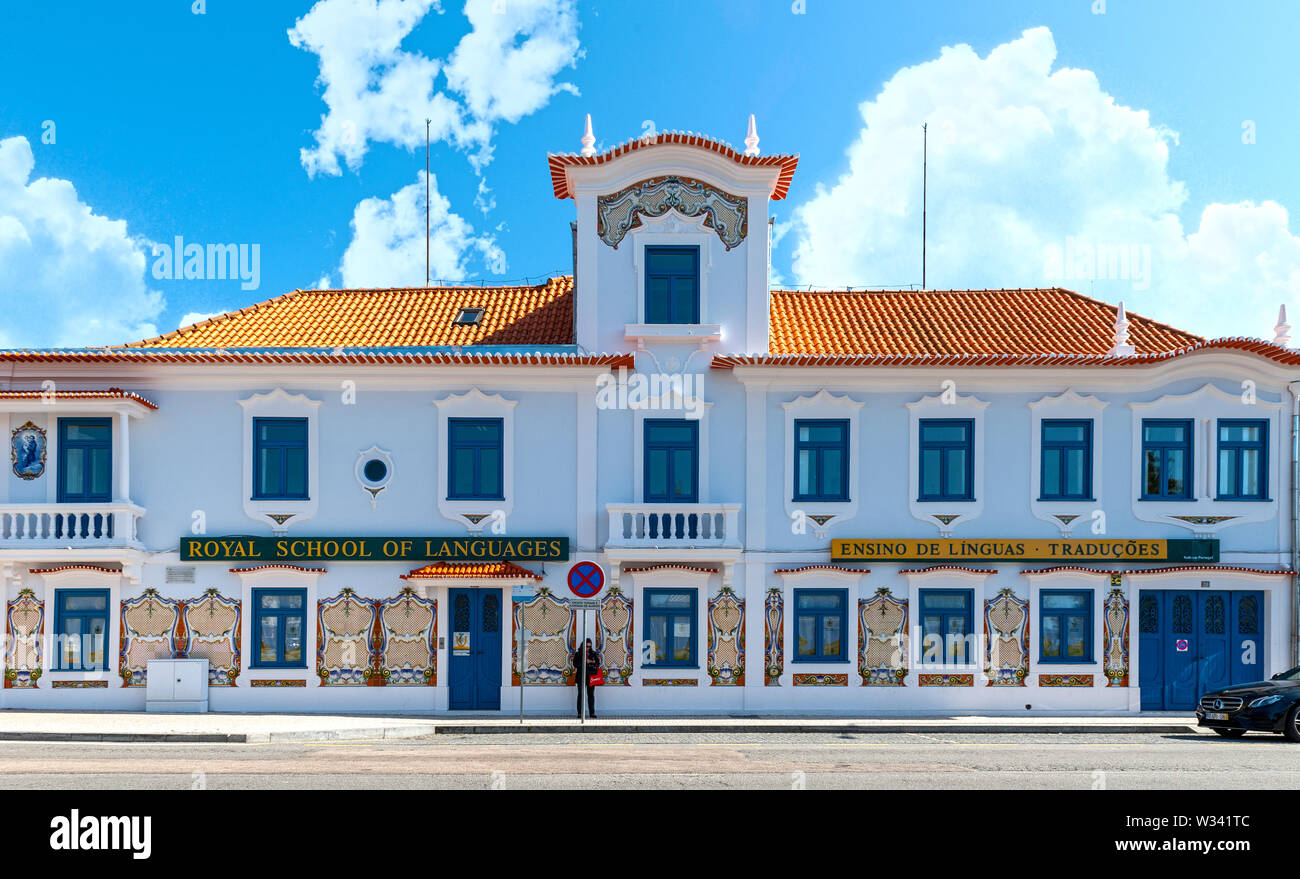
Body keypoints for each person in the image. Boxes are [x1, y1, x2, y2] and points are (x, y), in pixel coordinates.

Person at [572, 638, 602, 719]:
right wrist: (584, 662)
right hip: (581, 676)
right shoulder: (578, 654)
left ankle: (592, 713)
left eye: (589, 646)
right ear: (583, 645)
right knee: (581, 695)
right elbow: (575, 664)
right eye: (586, 646)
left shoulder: (593, 653)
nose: (588, 648)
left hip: (591, 676)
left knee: (591, 695)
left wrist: (591, 661)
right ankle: (580, 713)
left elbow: (598, 663)